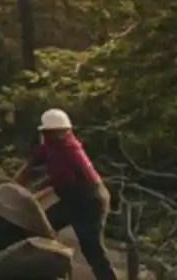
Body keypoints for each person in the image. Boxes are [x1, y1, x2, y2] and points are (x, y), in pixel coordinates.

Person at [12, 109, 117, 280]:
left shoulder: (67, 151)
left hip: (89, 201)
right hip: (74, 199)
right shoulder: (50, 147)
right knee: (40, 228)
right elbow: (30, 166)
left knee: (92, 248)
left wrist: (31, 197)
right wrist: (12, 185)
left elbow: (57, 185)